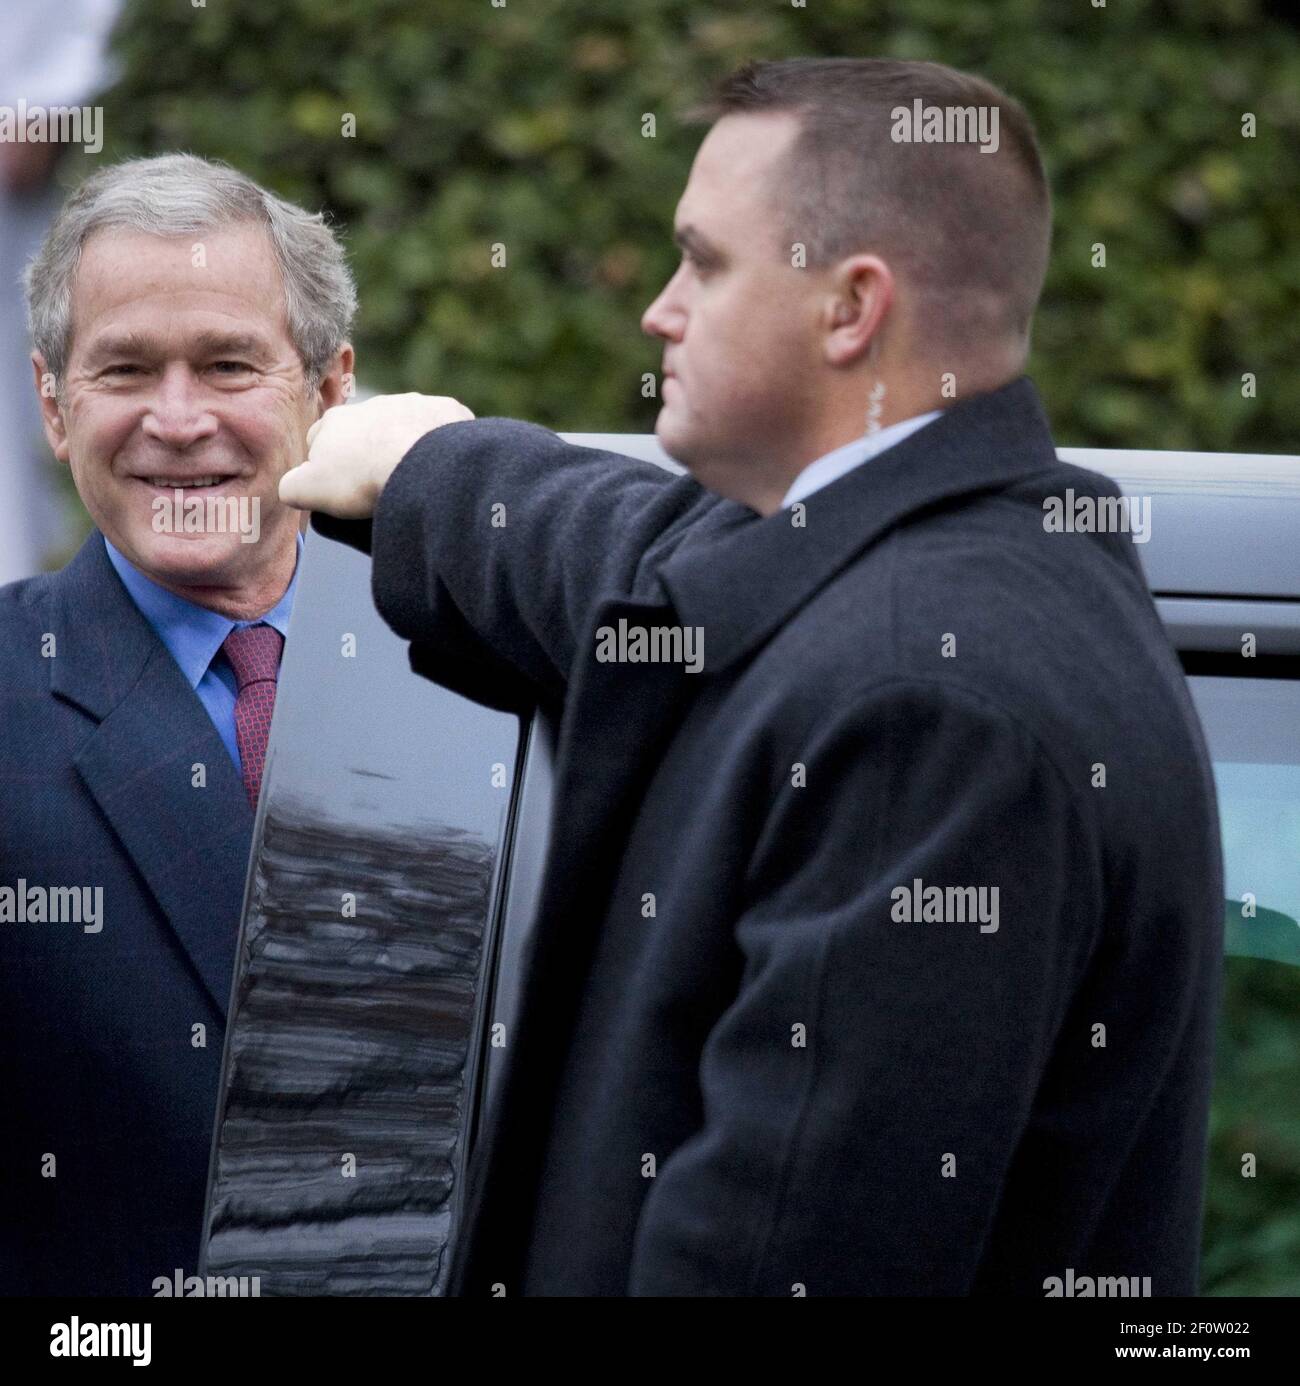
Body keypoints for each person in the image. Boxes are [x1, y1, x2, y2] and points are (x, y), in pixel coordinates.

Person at [284, 58, 1223, 1296]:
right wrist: (431, 470)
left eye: (703, 263)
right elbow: (647, 562)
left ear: (850, 310)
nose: (657, 311)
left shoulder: (919, 715)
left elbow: (771, 1259)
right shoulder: (948, 554)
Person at [0, 154, 354, 1294]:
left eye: (228, 364)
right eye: (125, 370)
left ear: (329, 390)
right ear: (54, 406)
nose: (178, 419)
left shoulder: (478, 663)